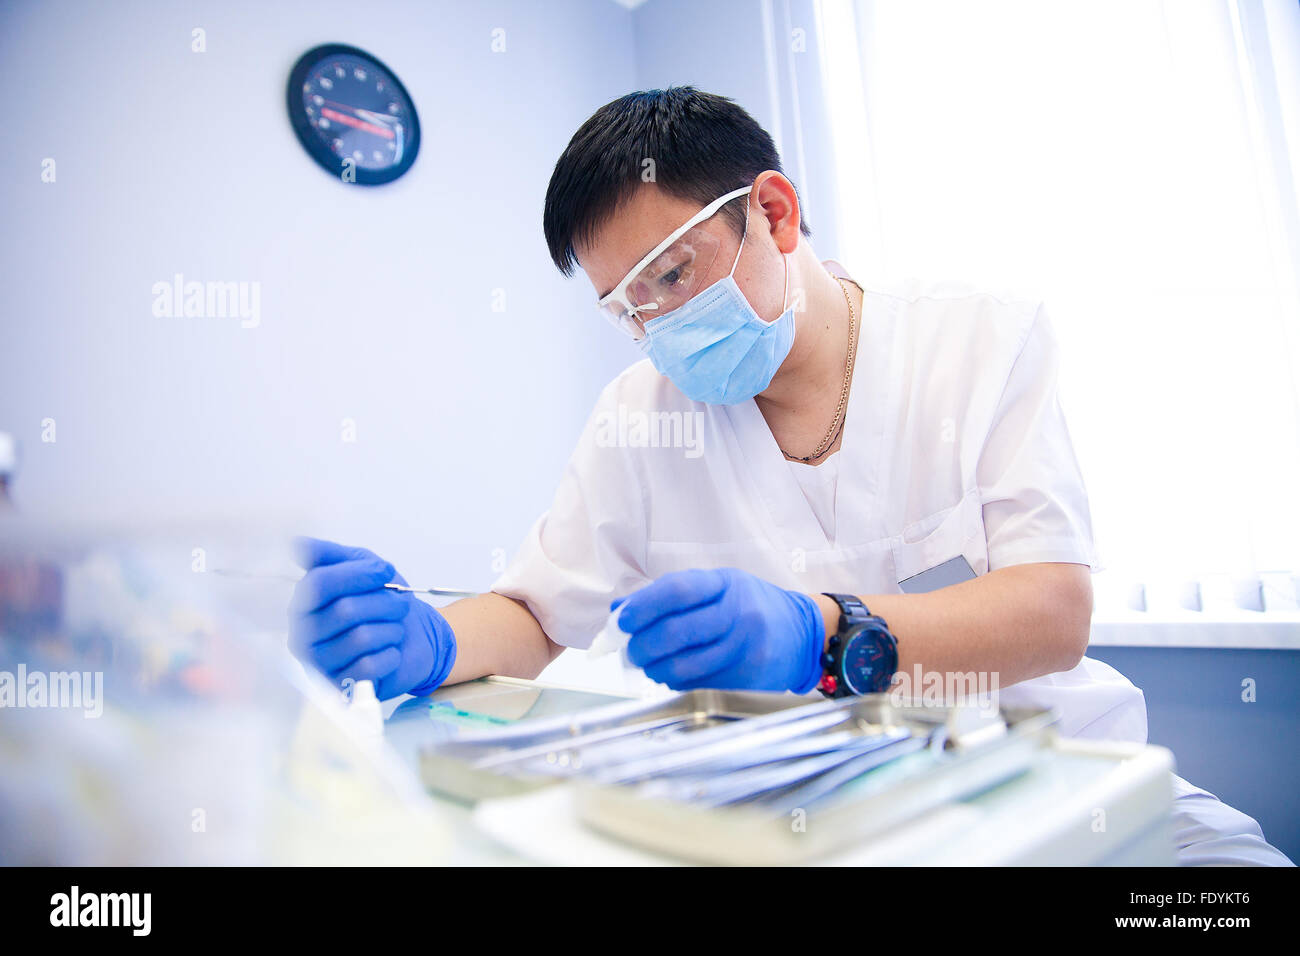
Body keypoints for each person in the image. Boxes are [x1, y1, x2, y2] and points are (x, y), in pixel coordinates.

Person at [288, 87, 1292, 866]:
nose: (659, 328)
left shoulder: (978, 339)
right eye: (627, 307)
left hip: (1071, 778)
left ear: (772, 211)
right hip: (829, 820)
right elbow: (542, 613)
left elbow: (1052, 610)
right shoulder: (640, 419)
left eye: (673, 276)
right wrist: (428, 637)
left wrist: (821, 631)